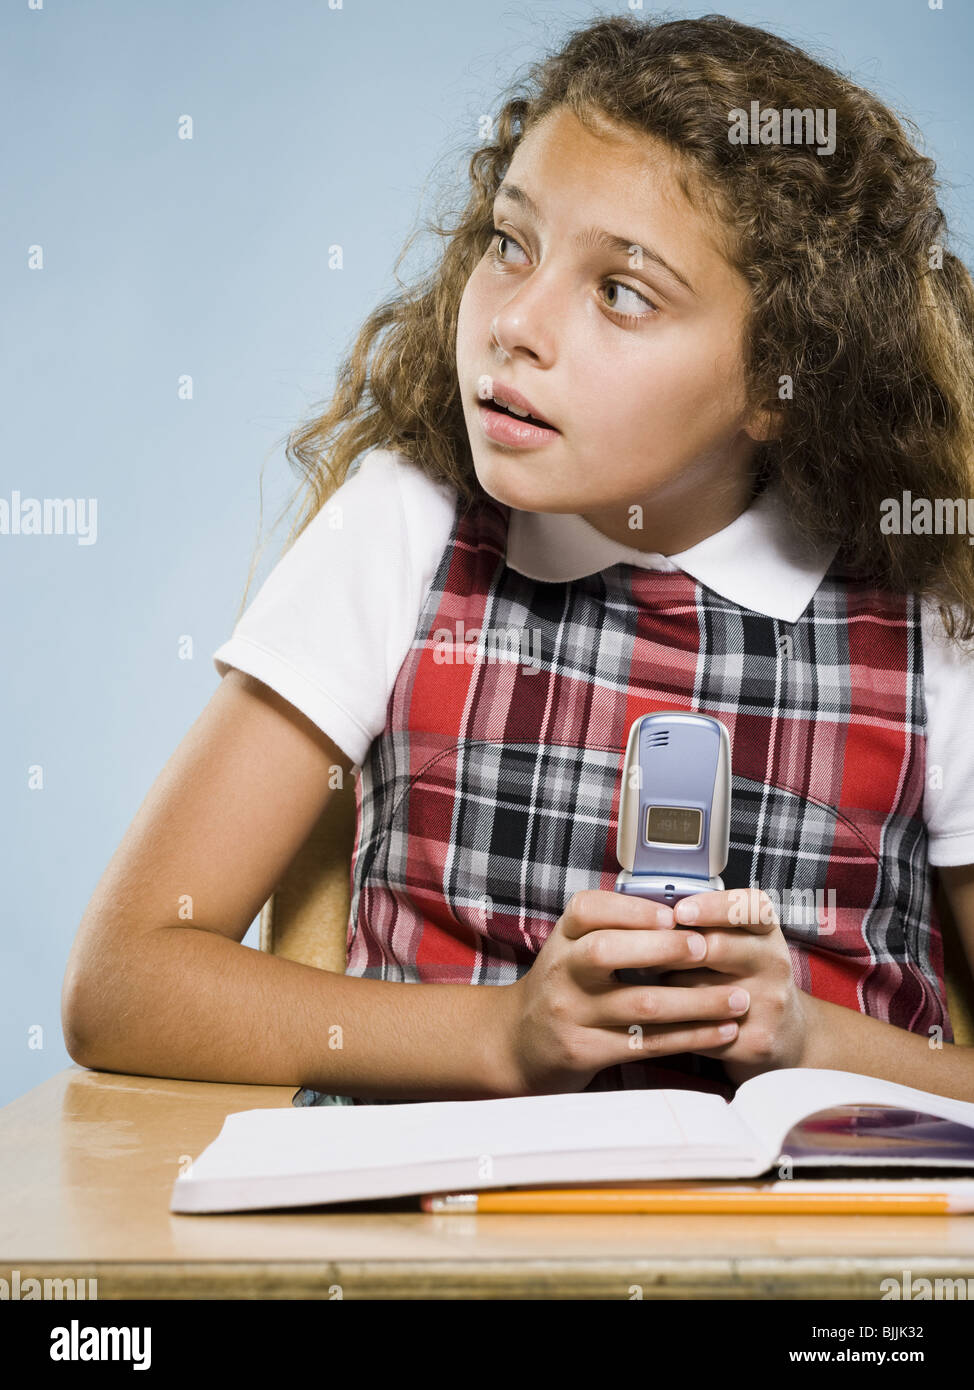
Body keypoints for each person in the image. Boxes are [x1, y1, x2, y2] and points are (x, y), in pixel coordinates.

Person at [62, 14, 974, 1105]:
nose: (512, 323)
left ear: (781, 380)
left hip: (810, 1262)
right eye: (510, 243)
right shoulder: (400, 532)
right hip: (438, 1254)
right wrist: (501, 1034)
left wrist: (801, 1038)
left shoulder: (922, 619)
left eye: (620, 293)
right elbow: (122, 980)